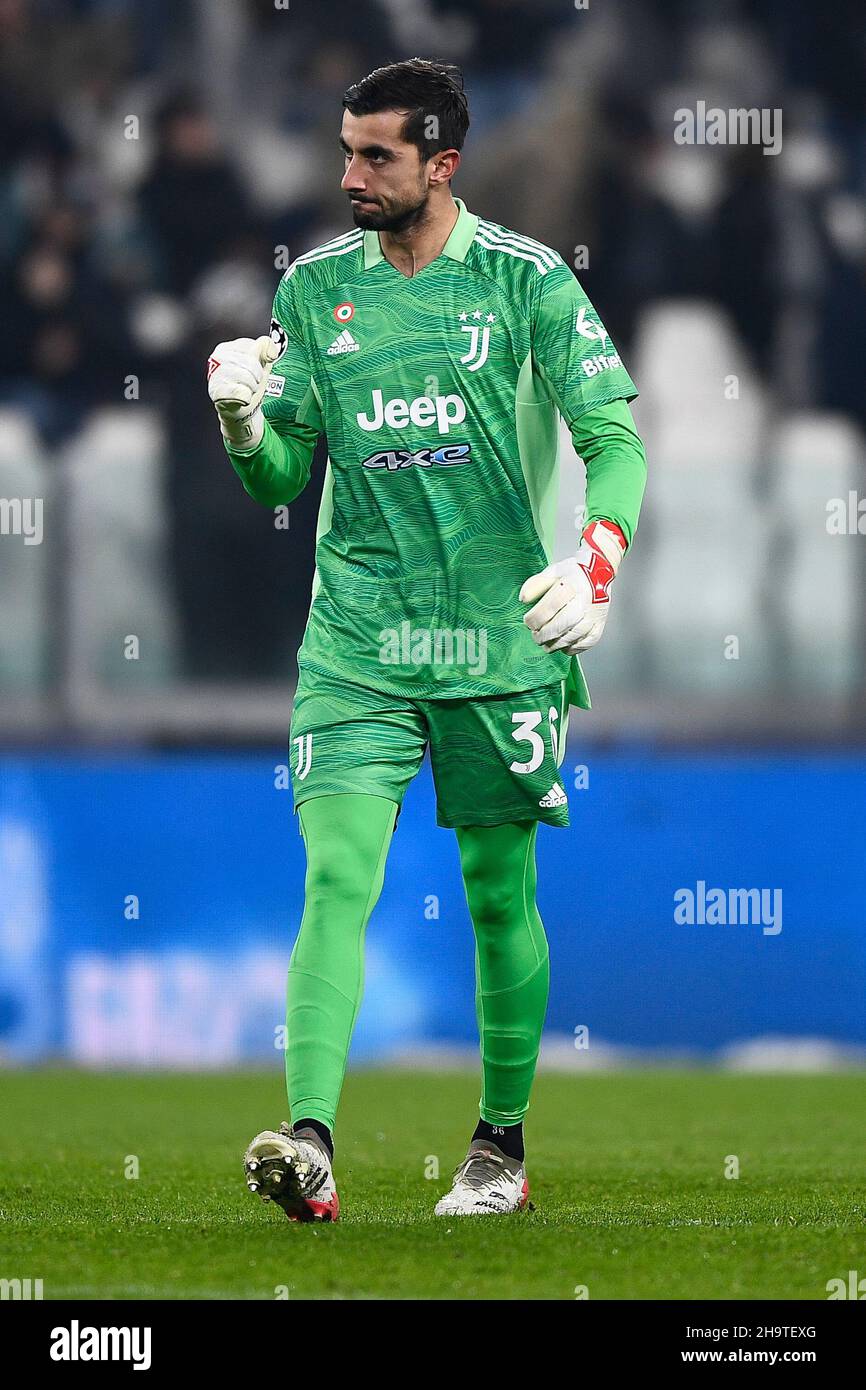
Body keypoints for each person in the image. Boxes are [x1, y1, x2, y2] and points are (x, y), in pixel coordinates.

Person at [206, 59, 646, 1222]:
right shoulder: (314, 292)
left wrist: (593, 561)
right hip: (355, 639)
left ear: (441, 164)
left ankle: (498, 1150)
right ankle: (307, 1142)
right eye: (345, 151)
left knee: (496, 894)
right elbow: (286, 474)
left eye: (375, 156)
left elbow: (615, 440)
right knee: (336, 876)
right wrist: (246, 423)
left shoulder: (524, 282)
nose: (348, 174)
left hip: (497, 643)